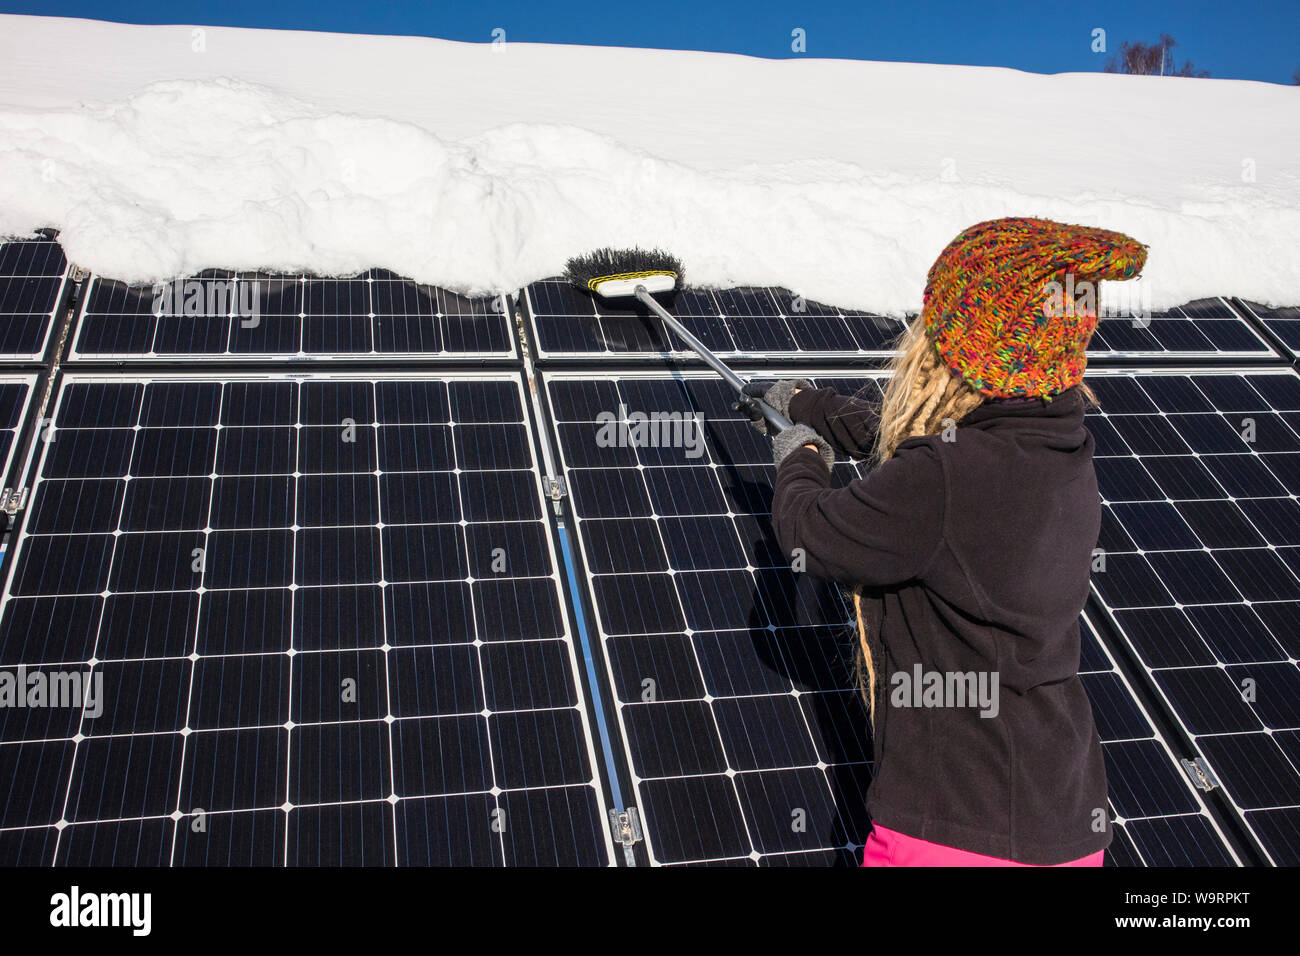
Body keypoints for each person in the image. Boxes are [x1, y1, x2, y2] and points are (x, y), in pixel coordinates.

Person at [739, 216, 1147, 866]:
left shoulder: (946, 481)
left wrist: (800, 454)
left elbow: (809, 533)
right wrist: (816, 406)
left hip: (952, 834)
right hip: (1067, 824)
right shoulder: (1062, 452)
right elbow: (935, 449)